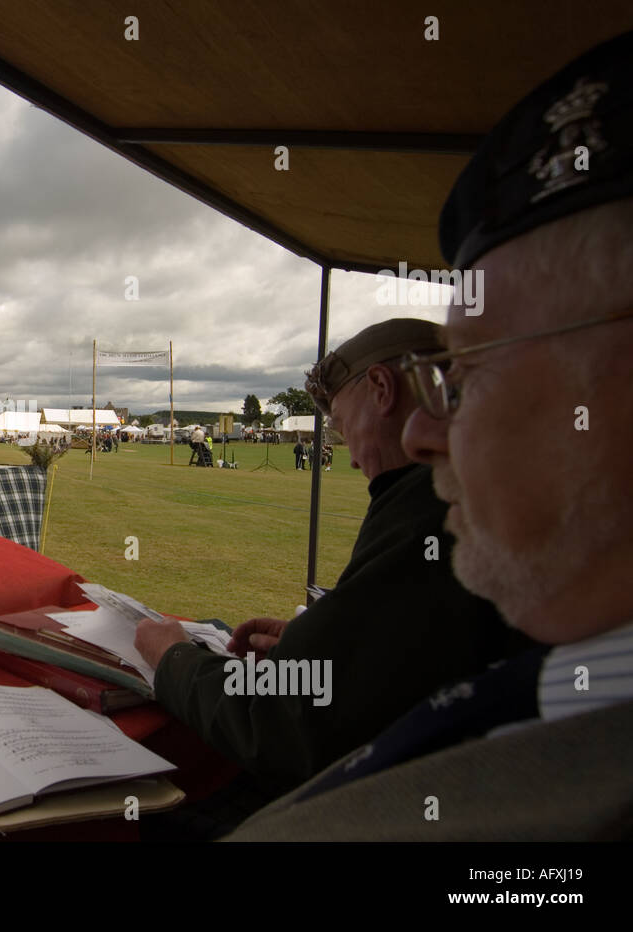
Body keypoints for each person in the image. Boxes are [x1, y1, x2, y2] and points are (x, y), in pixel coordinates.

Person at [226, 31, 633, 840]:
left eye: (470, 377)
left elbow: (306, 723)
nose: (423, 435)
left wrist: (180, 658)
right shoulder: (569, 664)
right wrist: (320, 639)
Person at [133, 318, 532, 838]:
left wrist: (175, 659)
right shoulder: (443, 495)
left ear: (383, 390)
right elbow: (405, 657)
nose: (356, 458)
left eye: (344, 430)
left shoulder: (433, 499)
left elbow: (286, 729)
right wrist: (321, 640)